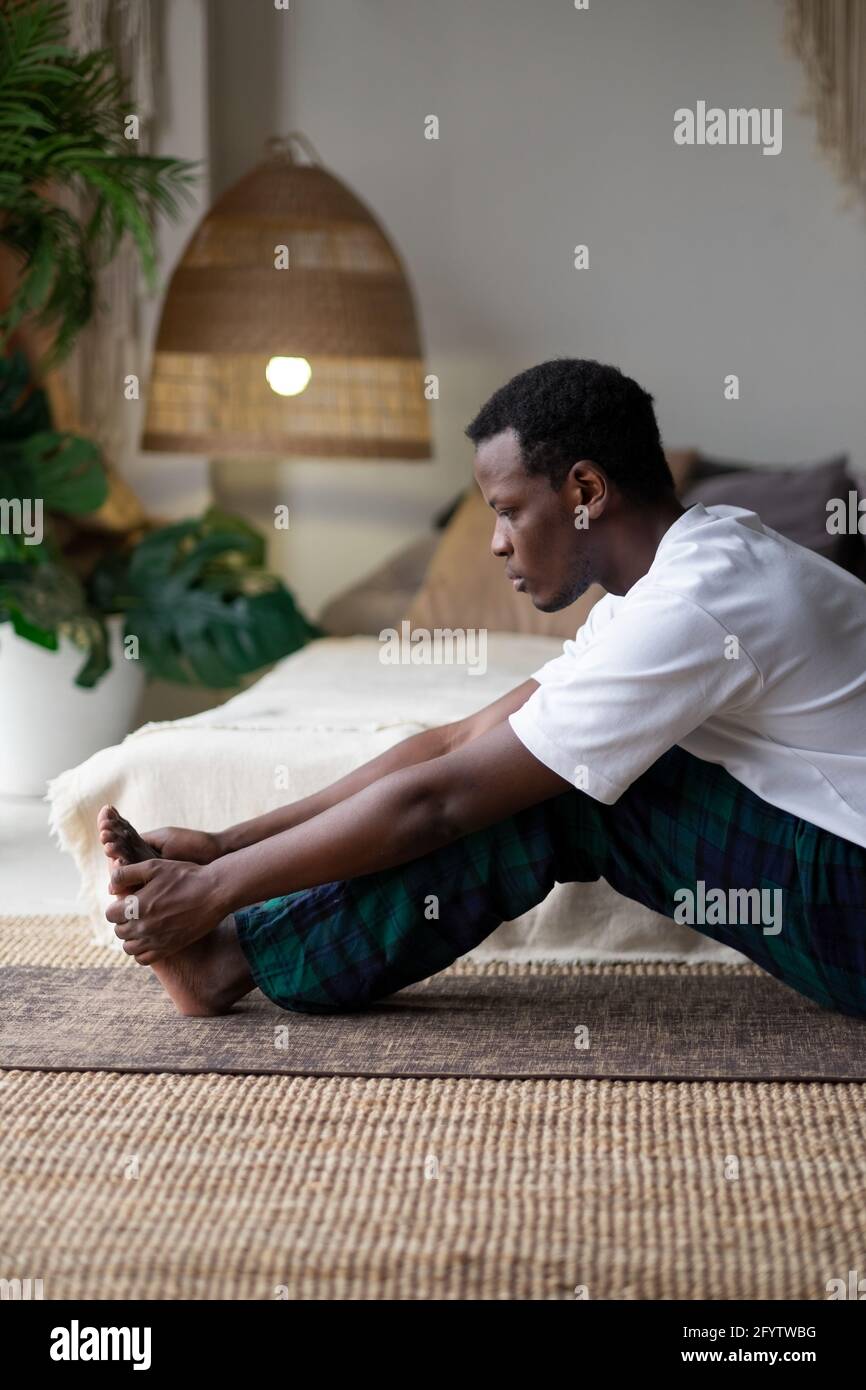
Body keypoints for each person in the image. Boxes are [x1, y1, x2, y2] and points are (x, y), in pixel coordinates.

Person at [98, 358, 866, 1020]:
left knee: (555, 788)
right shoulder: (679, 574)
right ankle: (234, 950)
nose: (497, 541)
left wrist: (217, 892)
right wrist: (227, 847)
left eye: (506, 510)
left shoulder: (695, 601)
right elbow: (456, 742)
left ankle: (227, 960)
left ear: (586, 490)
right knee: (532, 761)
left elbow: (443, 801)